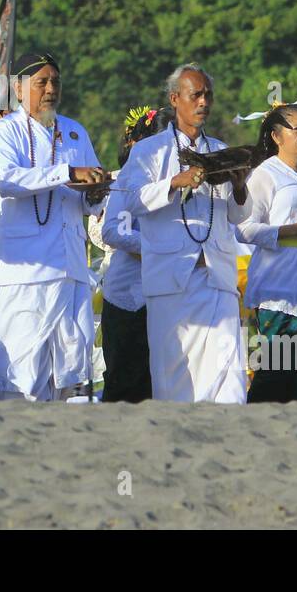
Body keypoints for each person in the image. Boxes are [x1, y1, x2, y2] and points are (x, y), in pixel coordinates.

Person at [115, 63, 252, 403]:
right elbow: (129, 200)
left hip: (217, 276)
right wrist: (173, 182)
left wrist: (238, 186)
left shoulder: (220, 149)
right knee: (174, 377)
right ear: (176, 99)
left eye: (208, 95)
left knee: (229, 375)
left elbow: (238, 216)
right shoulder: (148, 151)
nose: (204, 102)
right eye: (196, 95)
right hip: (171, 277)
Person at [0, 51, 109, 401]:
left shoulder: (74, 131)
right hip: (26, 271)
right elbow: (6, 181)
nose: (50, 88)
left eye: (55, 81)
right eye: (41, 82)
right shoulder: (4, 132)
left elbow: (87, 199)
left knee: (73, 366)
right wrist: (68, 174)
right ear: (19, 90)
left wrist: (97, 192)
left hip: (70, 268)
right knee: (20, 371)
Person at [237, 104, 297, 403]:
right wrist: (291, 230)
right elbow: (243, 228)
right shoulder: (265, 175)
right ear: (277, 136)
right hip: (280, 290)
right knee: (278, 372)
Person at [97, 105, 169, 403]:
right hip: (127, 295)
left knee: (160, 380)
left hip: (166, 292)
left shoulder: (180, 179)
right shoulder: (126, 178)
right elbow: (110, 231)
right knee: (123, 382)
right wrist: (156, 248)